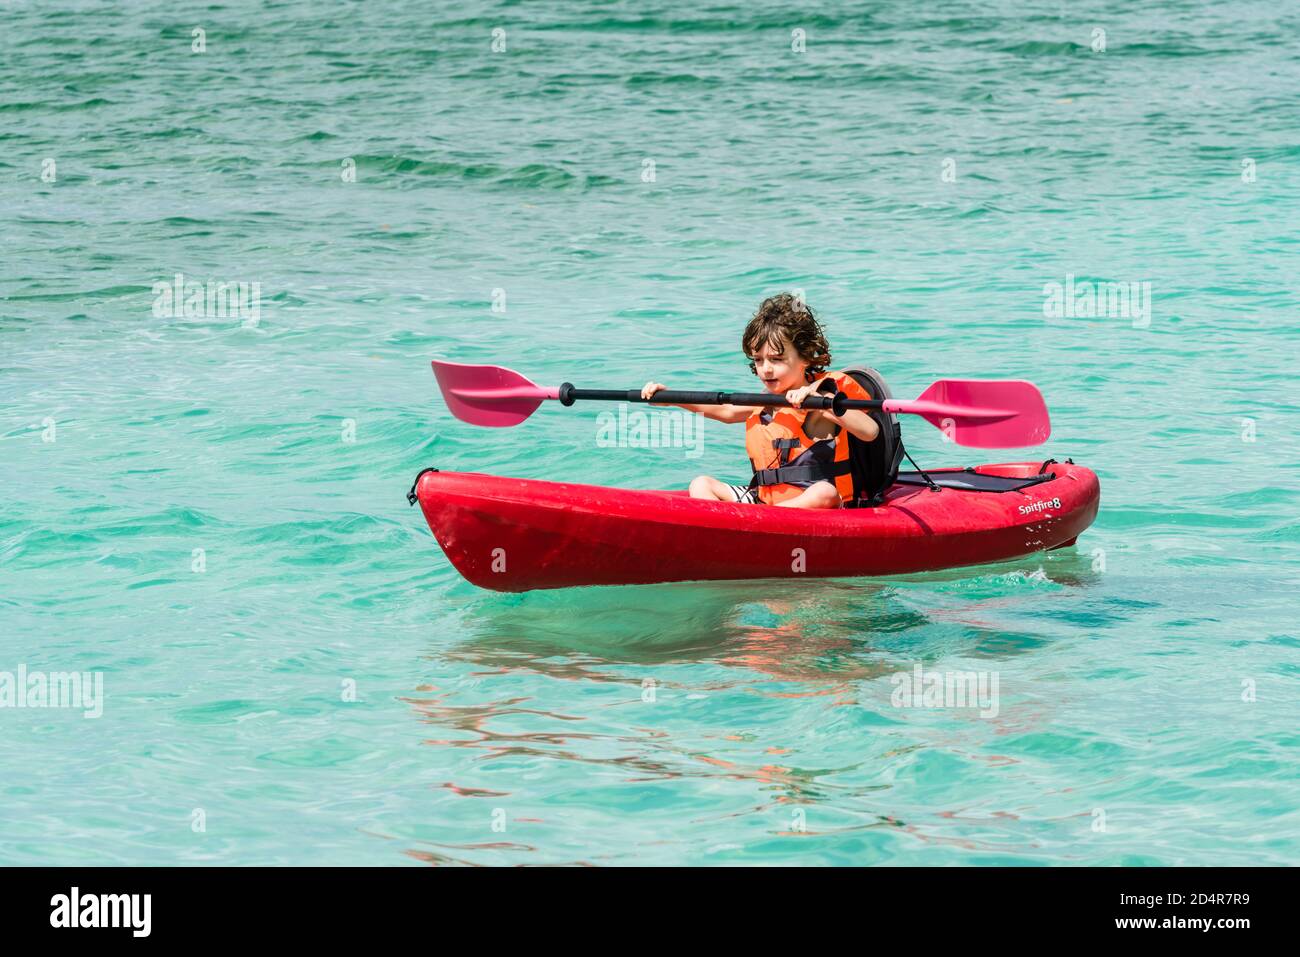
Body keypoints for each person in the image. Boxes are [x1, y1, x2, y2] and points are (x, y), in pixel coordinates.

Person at [641, 293, 880, 508]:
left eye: (776, 359)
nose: (765, 369)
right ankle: (730, 526)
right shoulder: (765, 401)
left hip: (815, 505)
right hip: (763, 500)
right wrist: (671, 399)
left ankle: (762, 520)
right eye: (758, 360)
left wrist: (823, 402)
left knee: (824, 492)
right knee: (701, 483)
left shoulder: (822, 398)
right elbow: (725, 411)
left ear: (805, 358)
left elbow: (870, 431)